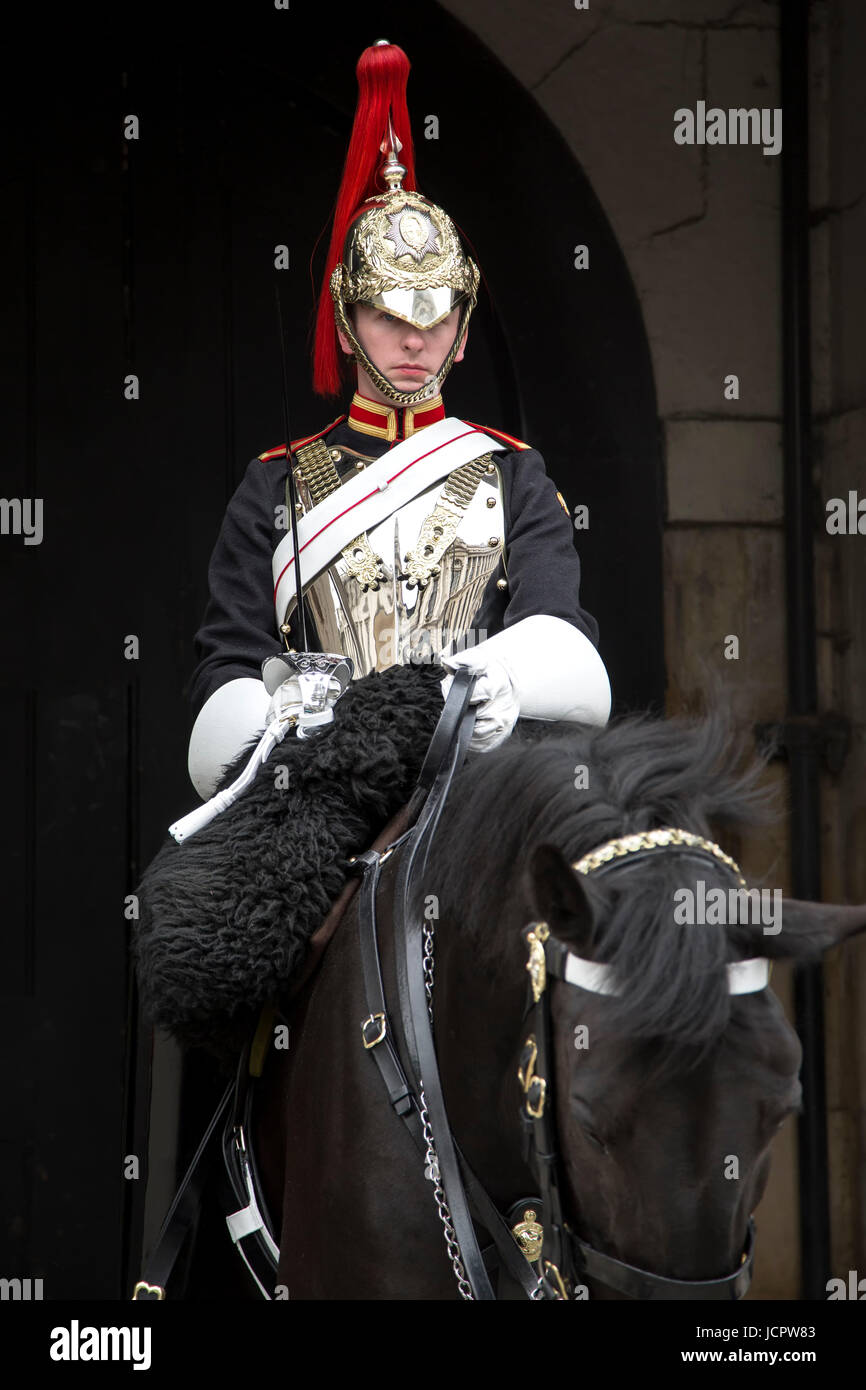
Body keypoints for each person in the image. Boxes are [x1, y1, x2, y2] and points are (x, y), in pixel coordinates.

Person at [185, 40, 610, 805]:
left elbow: (559, 625)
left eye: (438, 316)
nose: (417, 341)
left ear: (464, 326)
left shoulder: (512, 471)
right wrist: (274, 716)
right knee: (222, 921)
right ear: (346, 326)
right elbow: (226, 661)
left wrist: (502, 685)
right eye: (389, 317)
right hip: (320, 787)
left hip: (482, 776)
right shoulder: (274, 482)